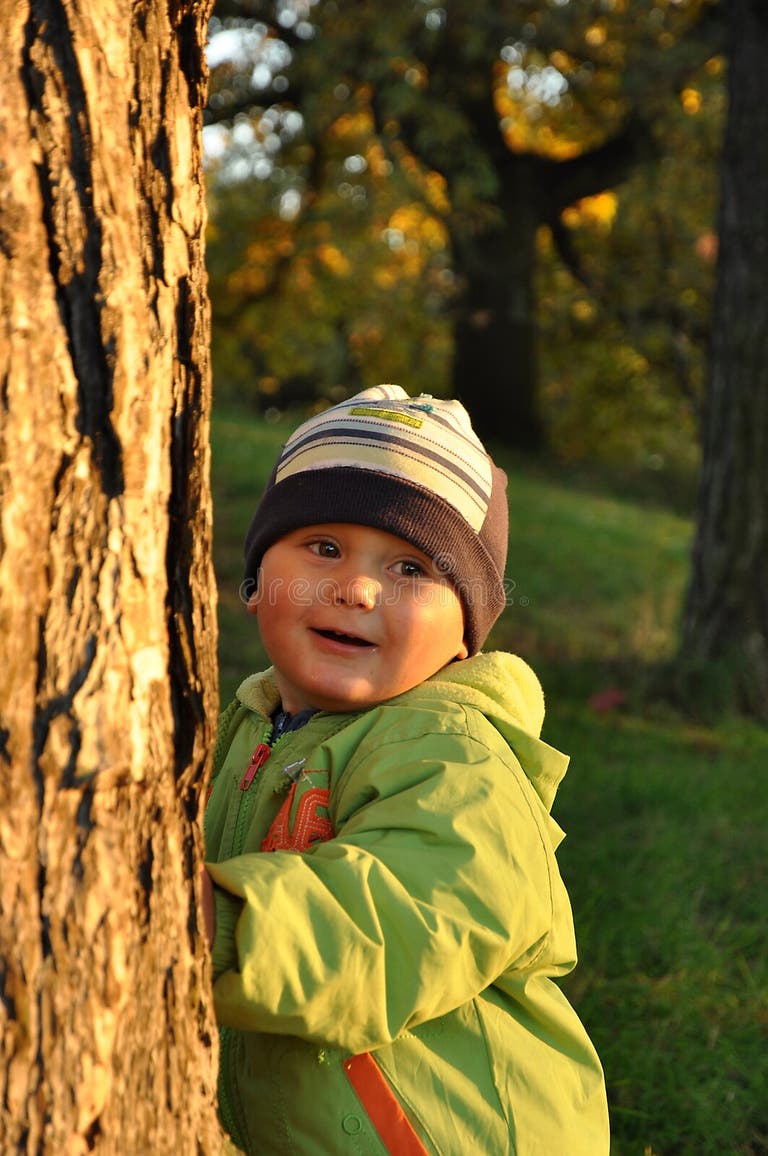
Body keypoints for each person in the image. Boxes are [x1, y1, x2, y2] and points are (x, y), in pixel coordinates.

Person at [202, 384, 609, 1155]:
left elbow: (404, 918)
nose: (357, 588)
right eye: (323, 548)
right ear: (256, 583)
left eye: (411, 569)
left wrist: (212, 927)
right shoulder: (242, 728)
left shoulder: (458, 755)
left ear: (466, 636)